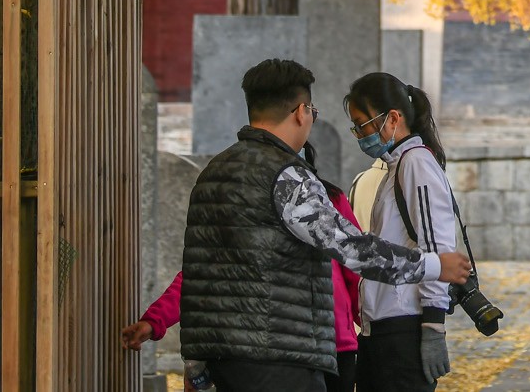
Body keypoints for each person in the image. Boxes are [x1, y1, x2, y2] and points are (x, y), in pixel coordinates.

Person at [171, 58, 468, 392]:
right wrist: (433, 265)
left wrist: (196, 361)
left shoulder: (213, 172)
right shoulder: (285, 177)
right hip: (281, 355)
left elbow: (198, 270)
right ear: (301, 111)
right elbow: (350, 247)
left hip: (221, 358)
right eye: (312, 110)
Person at [125, 143, 367, 392]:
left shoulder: (330, 200)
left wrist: (371, 326)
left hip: (332, 346)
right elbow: (201, 274)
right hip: (276, 350)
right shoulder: (240, 209)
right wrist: (155, 321)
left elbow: (353, 271)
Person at [345, 71, 469, 392]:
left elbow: (437, 247)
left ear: (393, 118)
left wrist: (432, 327)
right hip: (382, 330)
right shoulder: (396, 166)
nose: (360, 135)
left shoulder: (416, 163)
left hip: (404, 329)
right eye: (355, 127)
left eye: (363, 125)